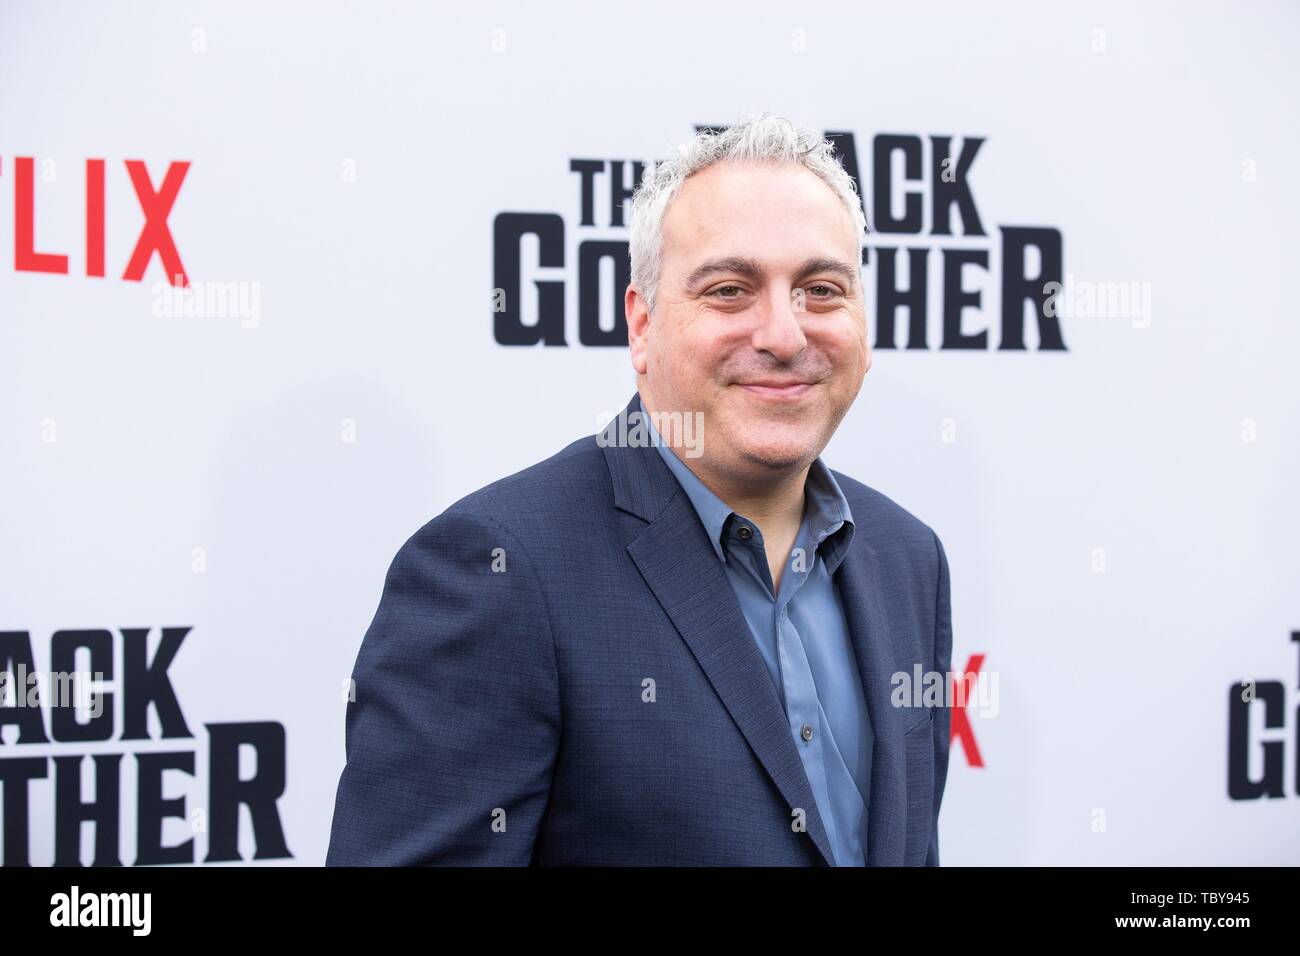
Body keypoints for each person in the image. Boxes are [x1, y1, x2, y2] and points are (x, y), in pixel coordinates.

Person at [326, 113, 953, 866]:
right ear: (641, 324)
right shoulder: (500, 571)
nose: (785, 335)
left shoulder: (909, 559)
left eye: (822, 289)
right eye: (729, 289)